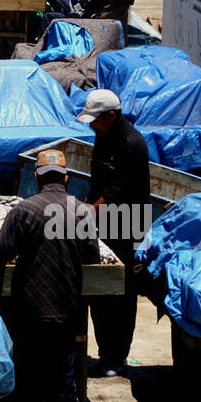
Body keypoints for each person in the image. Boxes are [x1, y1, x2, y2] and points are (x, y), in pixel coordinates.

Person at [0, 148, 99, 402]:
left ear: (37, 178)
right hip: (67, 302)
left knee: (25, 361)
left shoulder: (23, 210)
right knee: (63, 361)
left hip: (30, 302)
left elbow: (0, 253)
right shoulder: (81, 211)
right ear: (66, 179)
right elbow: (93, 257)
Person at [78, 90, 151, 377]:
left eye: (95, 120)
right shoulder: (102, 135)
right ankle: (105, 353)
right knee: (99, 287)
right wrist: (83, 207)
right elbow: (97, 183)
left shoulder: (132, 144)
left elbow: (115, 191)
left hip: (129, 223)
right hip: (106, 222)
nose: (91, 125)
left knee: (122, 291)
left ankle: (117, 357)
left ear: (111, 115)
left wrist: (83, 216)